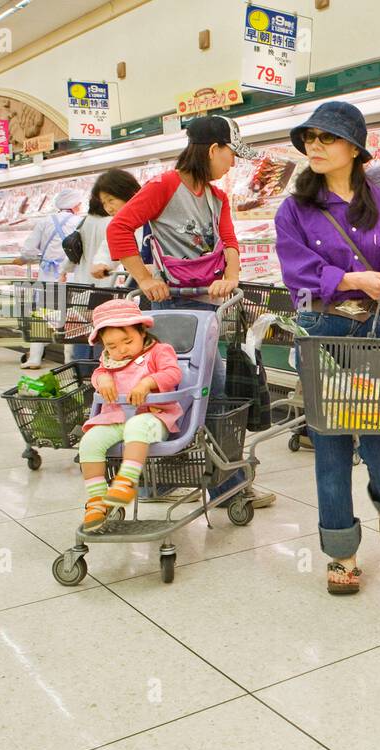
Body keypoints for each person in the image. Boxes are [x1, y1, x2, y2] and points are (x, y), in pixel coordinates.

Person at [274, 100, 380, 595]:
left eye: (326, 138)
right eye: (308, 139)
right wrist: (353, 277)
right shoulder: (294, 208)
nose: (313, 147)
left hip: (378, 330)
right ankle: (340, 551)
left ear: (355, 148)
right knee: (331, 446)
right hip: (322, 330)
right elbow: (296, 272)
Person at [106, 115, 272, 508]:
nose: (233, 163)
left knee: (210, 392)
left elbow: (230, 242)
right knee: (174, 390)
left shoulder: (219, 199)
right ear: (213, 149)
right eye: (231, 154)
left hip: (210, 308)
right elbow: (120, 228)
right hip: (171, 308)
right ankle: (169, 481)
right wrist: (145, 279)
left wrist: (230, 276)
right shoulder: (164, 186)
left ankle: (215, 483)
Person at [77, 299, 183, 532]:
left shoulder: (159, 351)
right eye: (112, 346)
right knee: (89, 442)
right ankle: (97, 500)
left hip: (153, 418)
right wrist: (102, 378)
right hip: (115, 417)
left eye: (128, 341)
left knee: (136, 425)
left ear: (142, 331)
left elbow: (173, 373)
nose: (121, 350)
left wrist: (148, 382)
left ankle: (126, 480)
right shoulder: (108, 360)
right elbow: (99, 373)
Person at [60, 168, 144, 362]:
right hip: (116, 286)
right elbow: (111, 246)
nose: (108, 207)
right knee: (105, 331)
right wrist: (101, 263)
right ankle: (100, 370)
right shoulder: (118, 223)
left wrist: (67, 270)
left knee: (91, 330)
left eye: (111, 200)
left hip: (93, 285)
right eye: (104, 202)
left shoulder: (147, 216)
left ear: (127, 193)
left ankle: (89, 368)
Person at [15, 187, 85, 368]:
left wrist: (24, 259)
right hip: (72, 275)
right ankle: (69, 361)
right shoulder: (80, 222)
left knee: (42, 316)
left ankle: (34, 358)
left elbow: (29, 250)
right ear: (76, 205)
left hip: (47, 275)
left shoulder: (45, 221)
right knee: (71, 317)